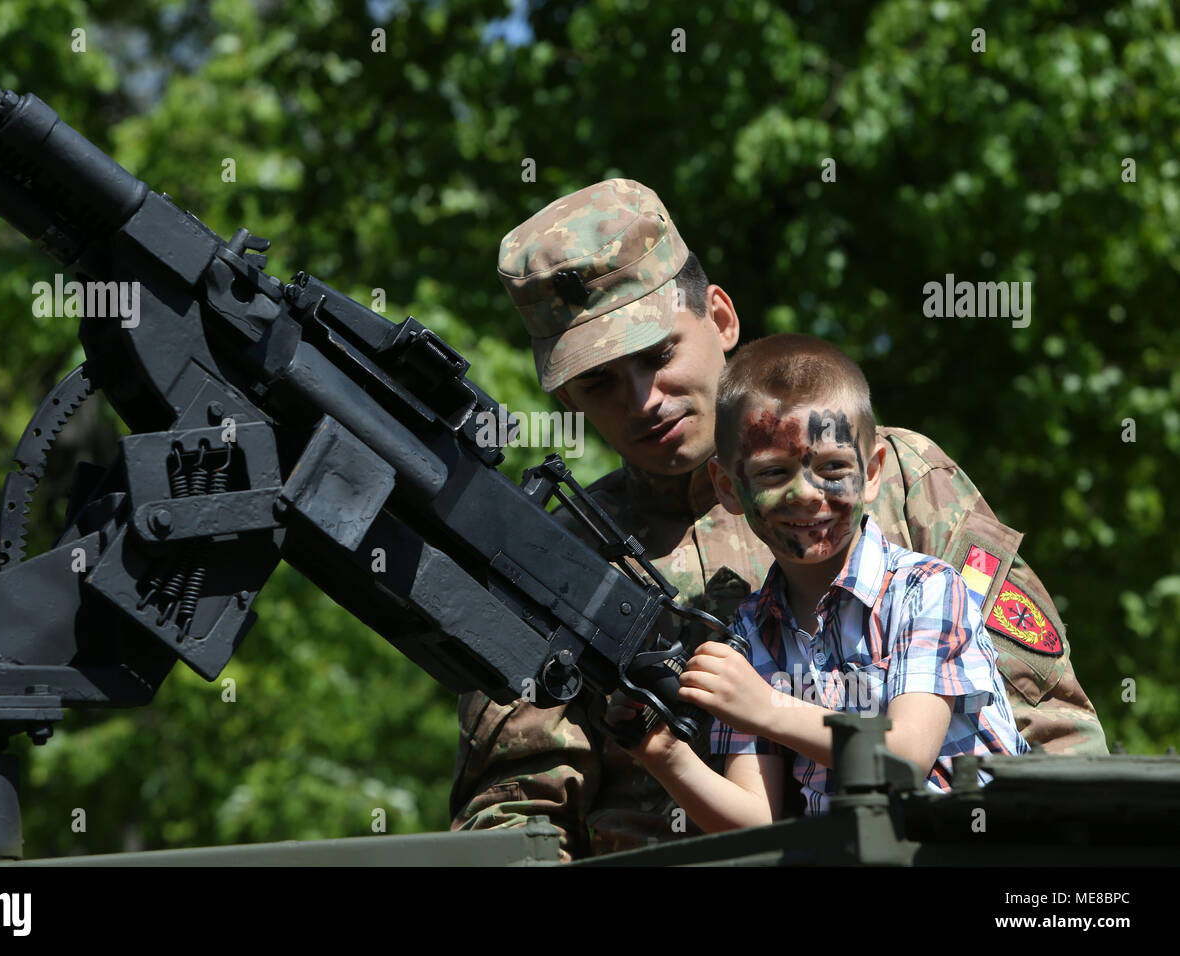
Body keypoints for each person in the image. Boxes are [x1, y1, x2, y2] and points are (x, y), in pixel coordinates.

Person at [450, 178, 1106, 860]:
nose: (644, 400)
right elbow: (514, 810)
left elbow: (1048, 726)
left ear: (721, 318)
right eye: (600, 382)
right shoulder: (552, 560)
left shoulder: (903, 477)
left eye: (659, 355)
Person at [611, 333, 1029, 828]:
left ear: (872, 473)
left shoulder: (928, 591)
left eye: (833, 467)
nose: (807, 494)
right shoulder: (749, 635)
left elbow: (903, 759)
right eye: (772, 473)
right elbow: (754, 821)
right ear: (728, 487)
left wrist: (764, 705)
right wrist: (662, 753)